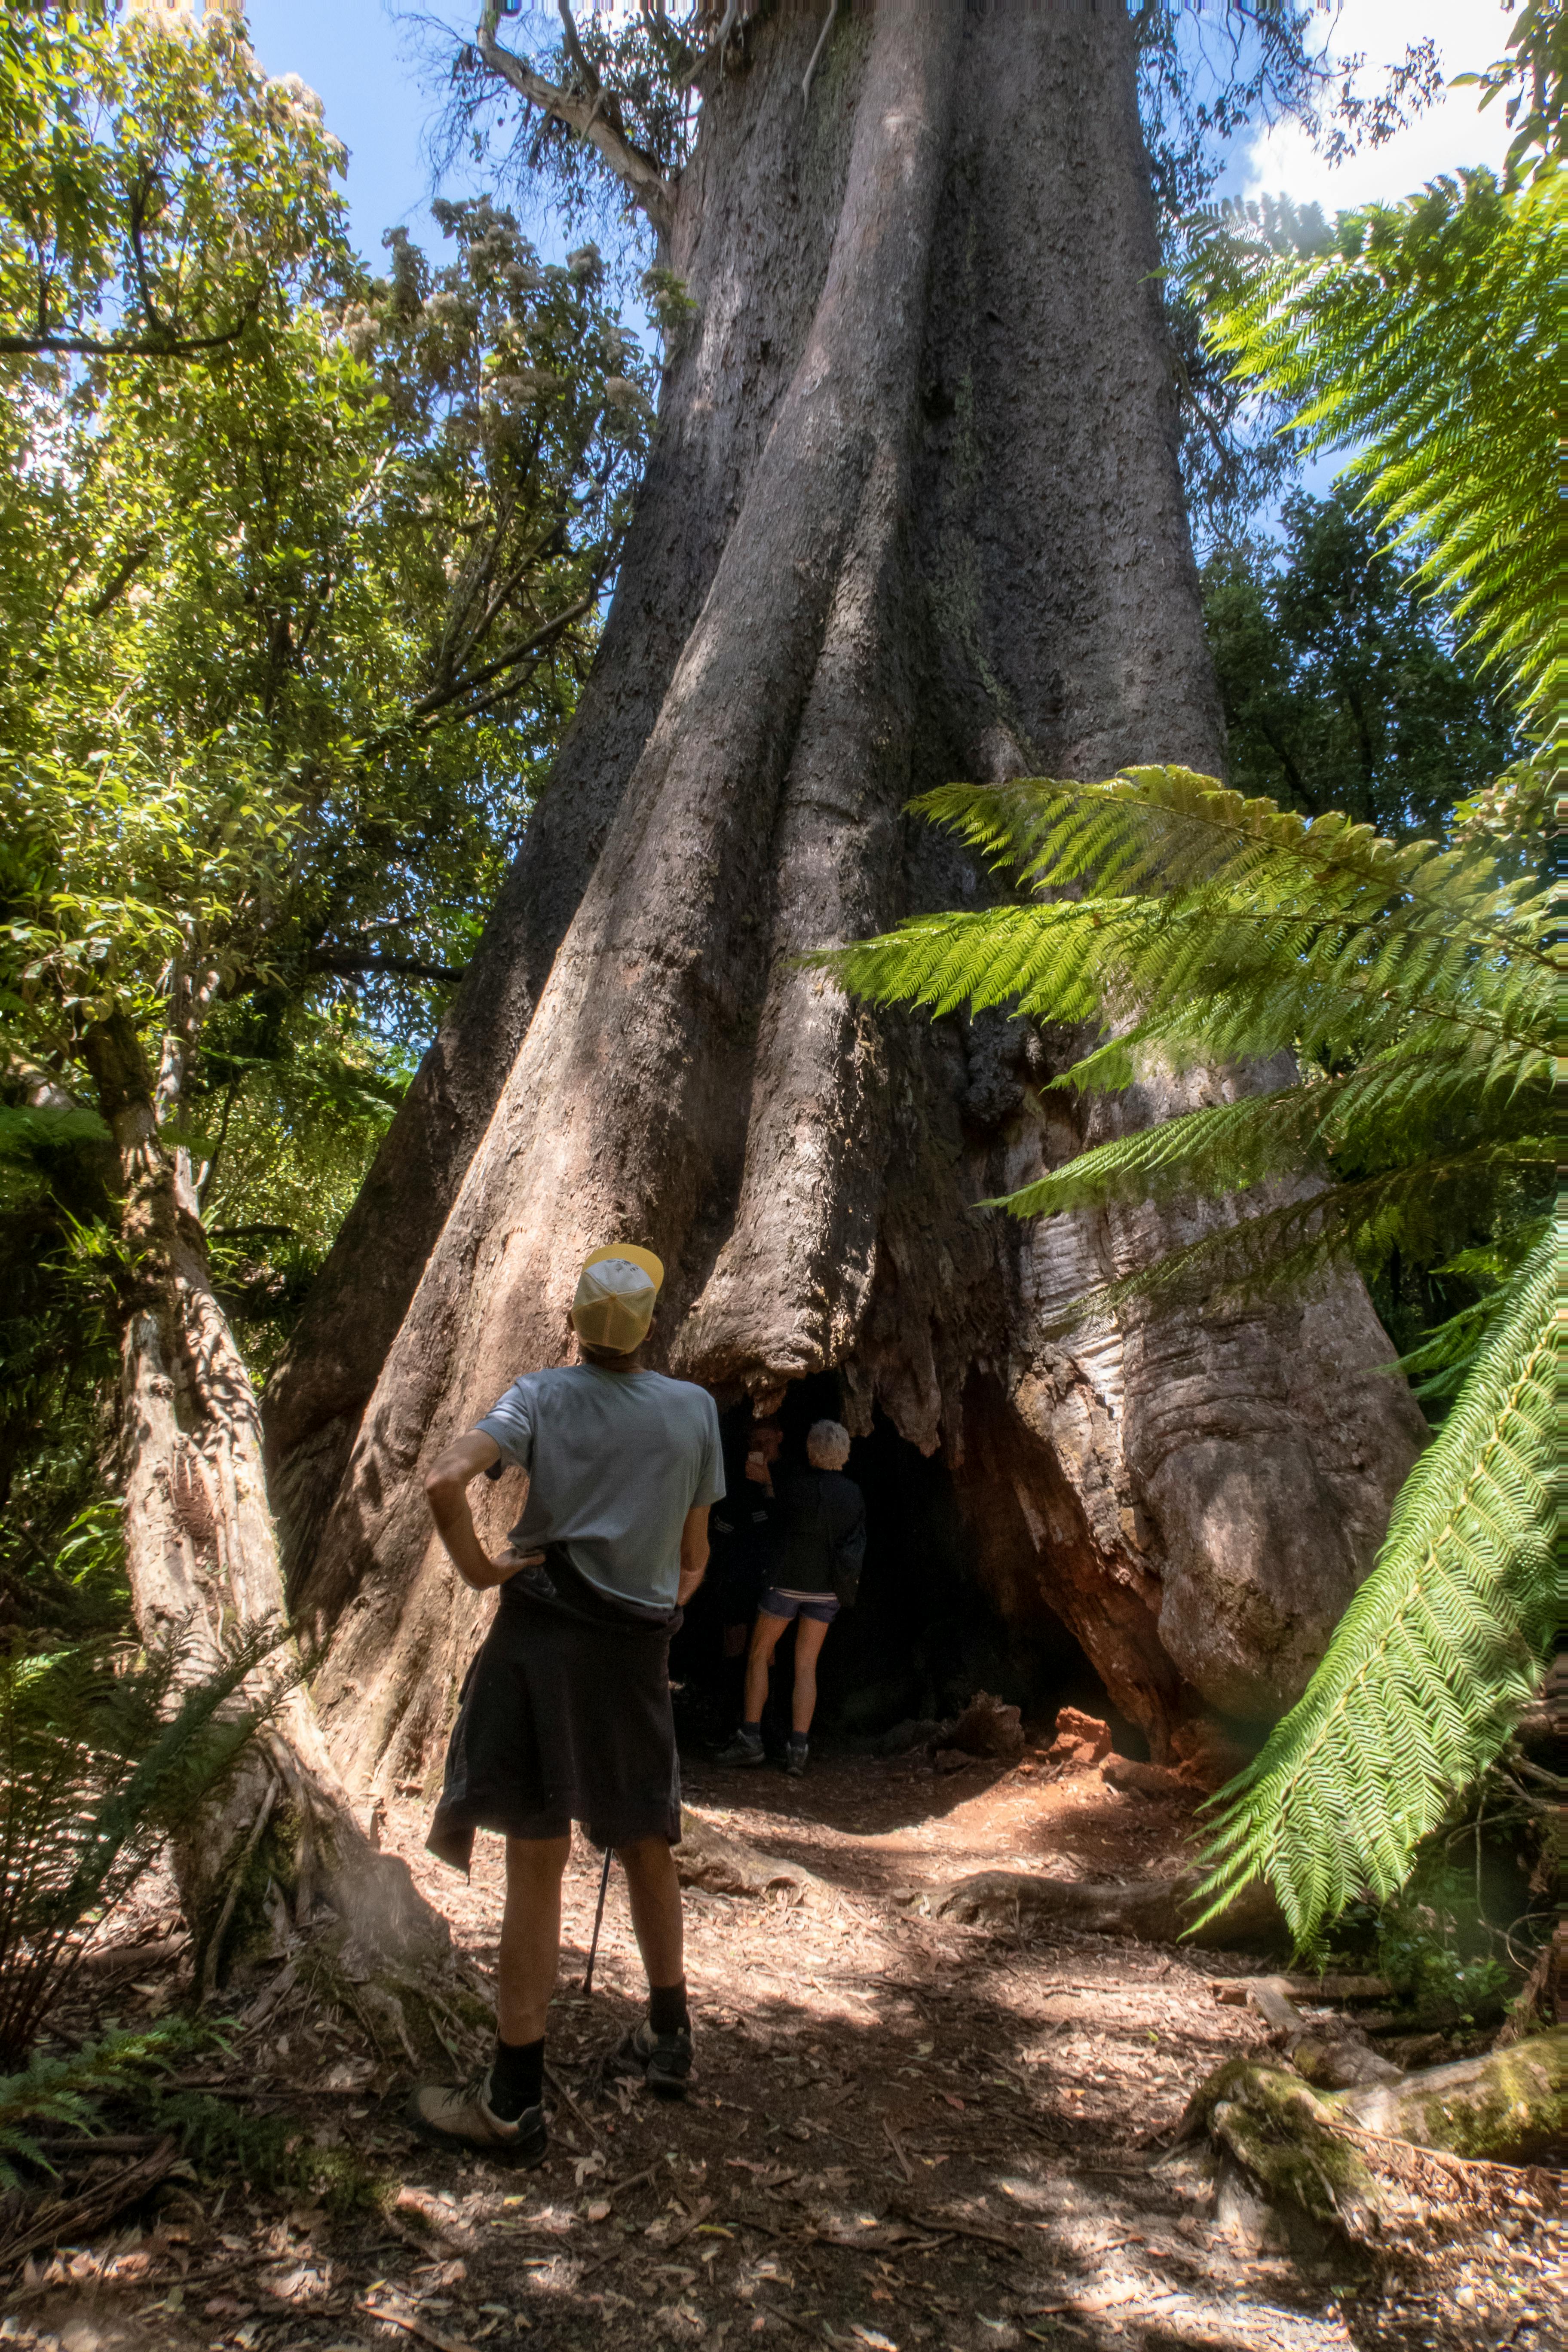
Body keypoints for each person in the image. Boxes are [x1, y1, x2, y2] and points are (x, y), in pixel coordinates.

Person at [407, 1243, 724, 2165]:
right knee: (646, 1833)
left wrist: (480, 1568)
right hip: (632, 1648)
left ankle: (513, 2098)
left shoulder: (538, 1395)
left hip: (539, 1642)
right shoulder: (695, 1409)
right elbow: (695, 1557)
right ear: (651, 1325)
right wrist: (661, 1605)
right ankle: (670, 2036)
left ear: (574, 1324)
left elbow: (442, 1479)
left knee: (536, 1859)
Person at [715, 1419, 864, 1778]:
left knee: (759, 1653)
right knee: (807, 1665)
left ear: (811, 1450)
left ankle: (750, 1738)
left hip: (785, 1585)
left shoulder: (796, 1487)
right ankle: (799, 1749)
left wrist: (767, 1486)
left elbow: (778, 1521)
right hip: (827, 1590)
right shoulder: (853, 1494)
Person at [707, 1420, 784, 1666]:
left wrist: (768, 1484)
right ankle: (730, 1701)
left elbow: (786, 1524)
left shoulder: (789, 1474)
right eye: (755, 1442)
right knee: (734, 1641)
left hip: (770, 1573)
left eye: (767, 1441)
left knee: (766, 1649)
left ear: (780, 1438)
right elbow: (721, 1524)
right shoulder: (738, 1475)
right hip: (737, 1571)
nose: (761, 1448)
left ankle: (766, 1703)